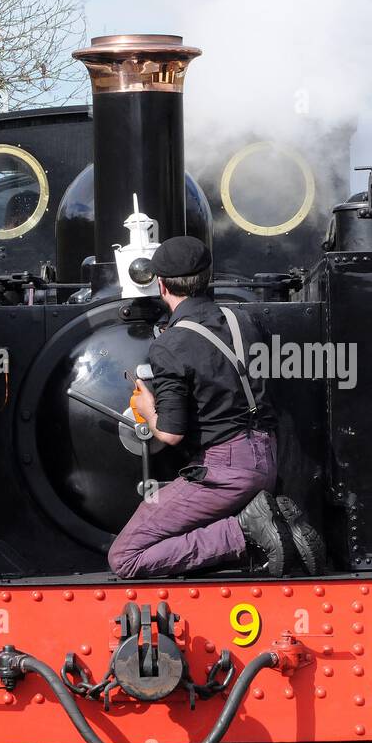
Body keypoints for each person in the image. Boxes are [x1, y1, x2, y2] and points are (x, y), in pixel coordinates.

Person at [107, 235, 324, 579]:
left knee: (126, 557)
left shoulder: (171, 345)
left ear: (160, 285)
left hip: (224, 470)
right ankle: (262, 521)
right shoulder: (244, 322)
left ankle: (246, 532)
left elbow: (171, 434)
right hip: (266, 457)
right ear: (208, 277)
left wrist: (149, 410)